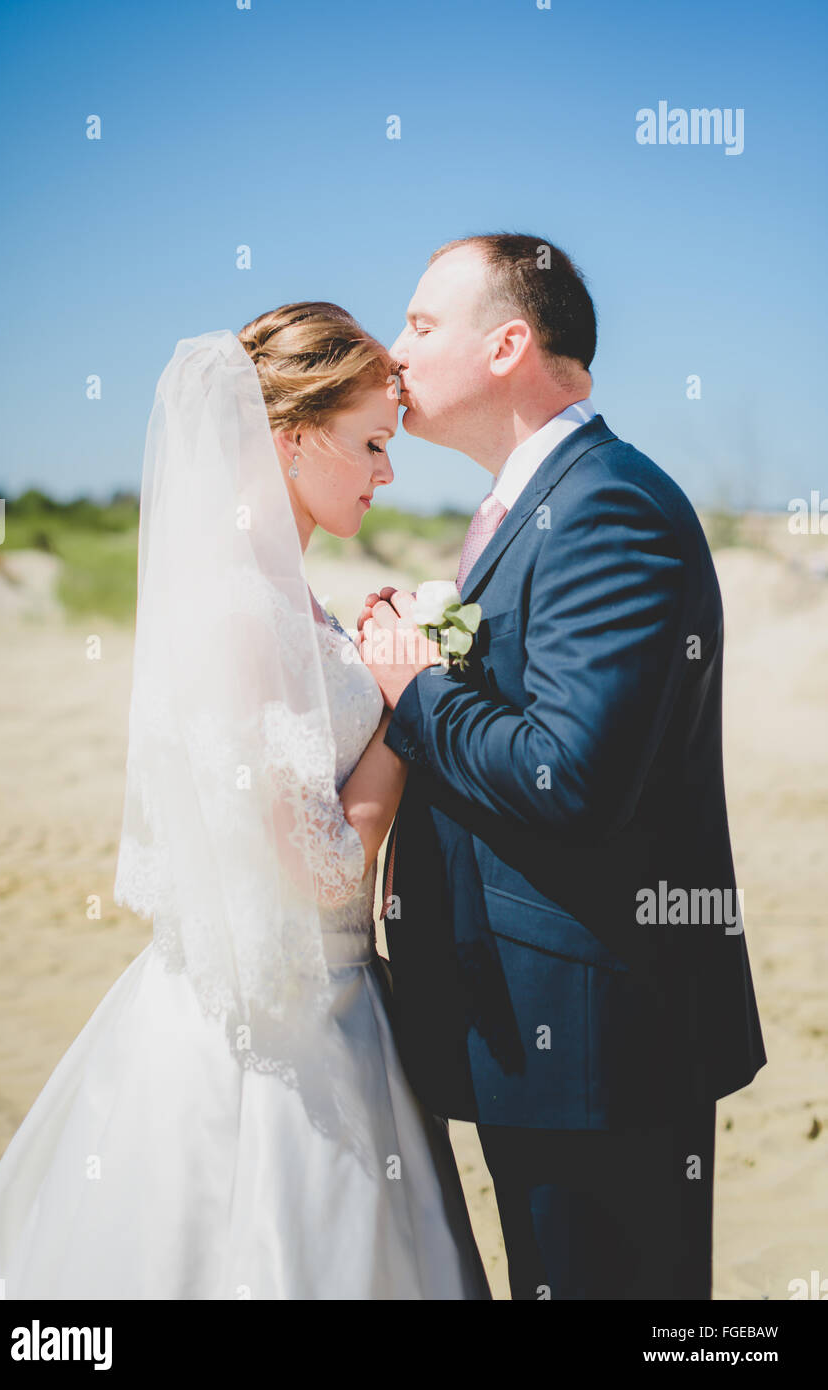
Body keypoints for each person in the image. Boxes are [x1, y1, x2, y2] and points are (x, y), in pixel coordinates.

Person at [0, 304, 490, 1300]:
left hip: (342, 999)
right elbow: (322, 864)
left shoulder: (290, 591)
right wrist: (401, 713)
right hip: (280, 1031)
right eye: (372, 444)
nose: (387, 472)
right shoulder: (239, 608)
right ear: (291, 438)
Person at [358, 234, 767, 1300]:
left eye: (421, 324)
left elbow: (569, 774)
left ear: (507, 347)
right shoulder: (533, 505)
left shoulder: (606, 507)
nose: (394, 350)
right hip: (537, 1033)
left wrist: (416, 686)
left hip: (596, 1041)